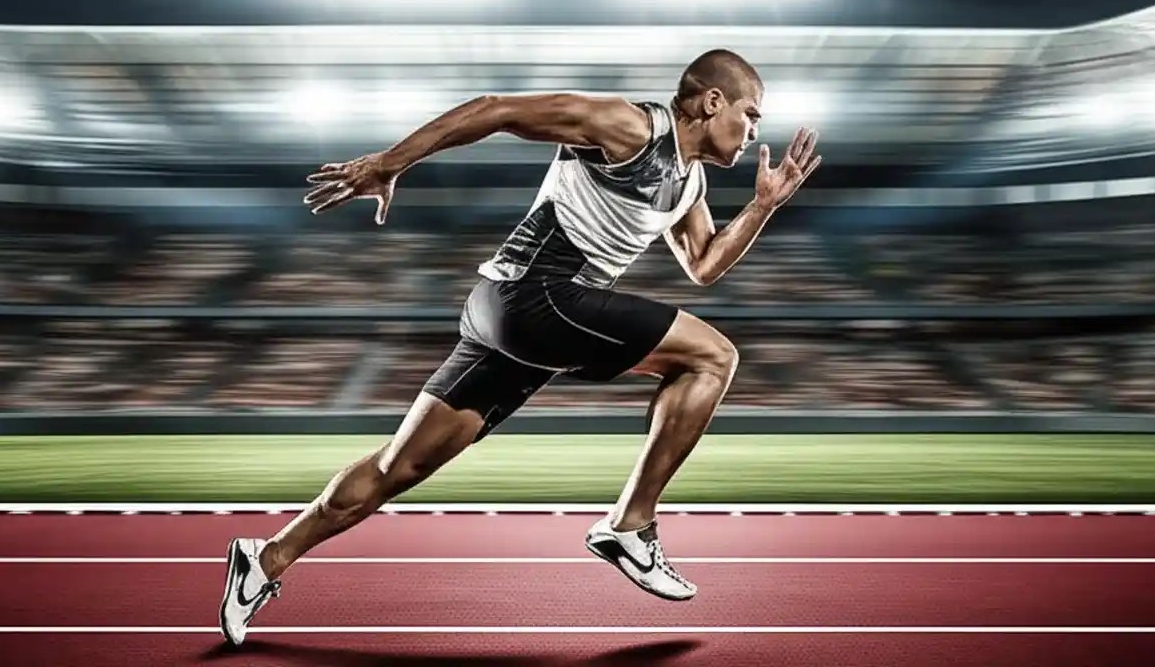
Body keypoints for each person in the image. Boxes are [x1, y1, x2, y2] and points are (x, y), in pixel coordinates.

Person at [219, 48, 822, 645]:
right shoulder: (631, 128)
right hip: (535, 299)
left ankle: (264, 559)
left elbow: (704, 263)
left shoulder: (687, 185)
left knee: (397, 467)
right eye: (751, 114)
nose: (752, 133)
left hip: (511, 315)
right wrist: (390, 162)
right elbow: (498, 108)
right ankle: (630, 526)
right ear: (712, 102)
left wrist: (762, 206)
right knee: (714, 356)